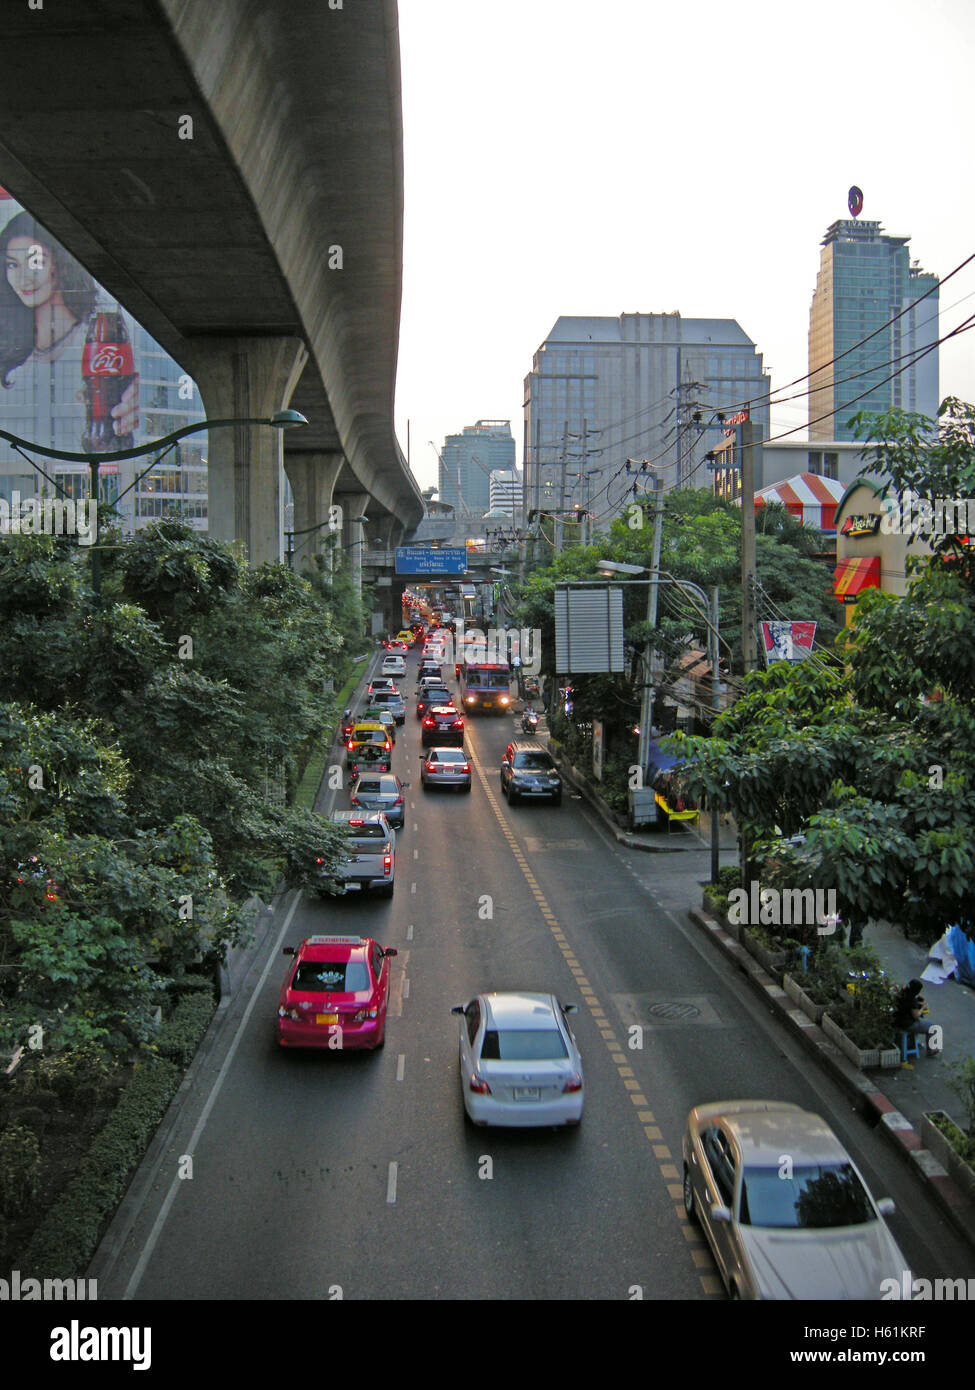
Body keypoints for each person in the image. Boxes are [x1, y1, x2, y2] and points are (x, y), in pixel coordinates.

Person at [1, 208, 138, 437]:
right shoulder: (12, 357)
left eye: (35, 262)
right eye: (12, 265)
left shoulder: (98, 336)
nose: (23, 278)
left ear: (59, 264)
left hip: (96, 460)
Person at [893, 979, 940, 1055]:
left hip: (898, 1020)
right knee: (932, 1027)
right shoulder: (911, 1000)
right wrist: (922, 1008)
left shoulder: (902, 993)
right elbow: (916, 1015)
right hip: (908, 1024)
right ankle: (931, 1050)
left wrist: (918, 1002)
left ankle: (912, 1044)